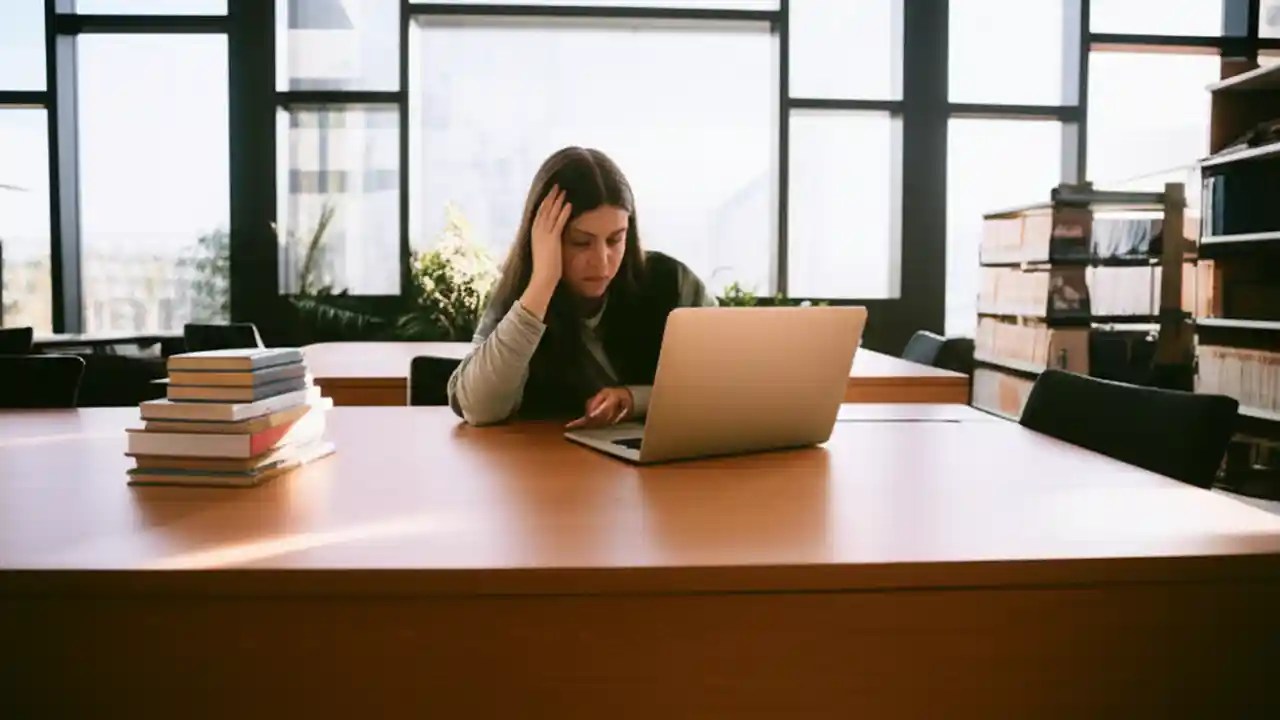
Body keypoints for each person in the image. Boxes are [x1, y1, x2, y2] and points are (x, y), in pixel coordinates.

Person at [447, 146, 717, 427]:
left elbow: (725, 381)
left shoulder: (669, 281)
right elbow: (478, 408)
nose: (602, 262)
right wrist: (543, 282)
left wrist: (635, 400)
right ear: (543, 239)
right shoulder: (522, 297)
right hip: (548, 467)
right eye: (581, 242)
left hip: (659, 467)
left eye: (615, 240)